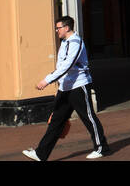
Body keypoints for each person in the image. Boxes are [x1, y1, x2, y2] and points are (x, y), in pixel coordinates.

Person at [23, 16, 108, 161]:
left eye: (59, 28)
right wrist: (60, 87)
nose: (57, 30)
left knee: (88, 118)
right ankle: (40, 154)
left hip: (78, 86)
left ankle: (102, 148)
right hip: (66, 88)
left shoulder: (76, 42)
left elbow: (67, 65)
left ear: (67, 28)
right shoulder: (65, 42)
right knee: (56, 121)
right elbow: (61, 66)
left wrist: (47, 80)